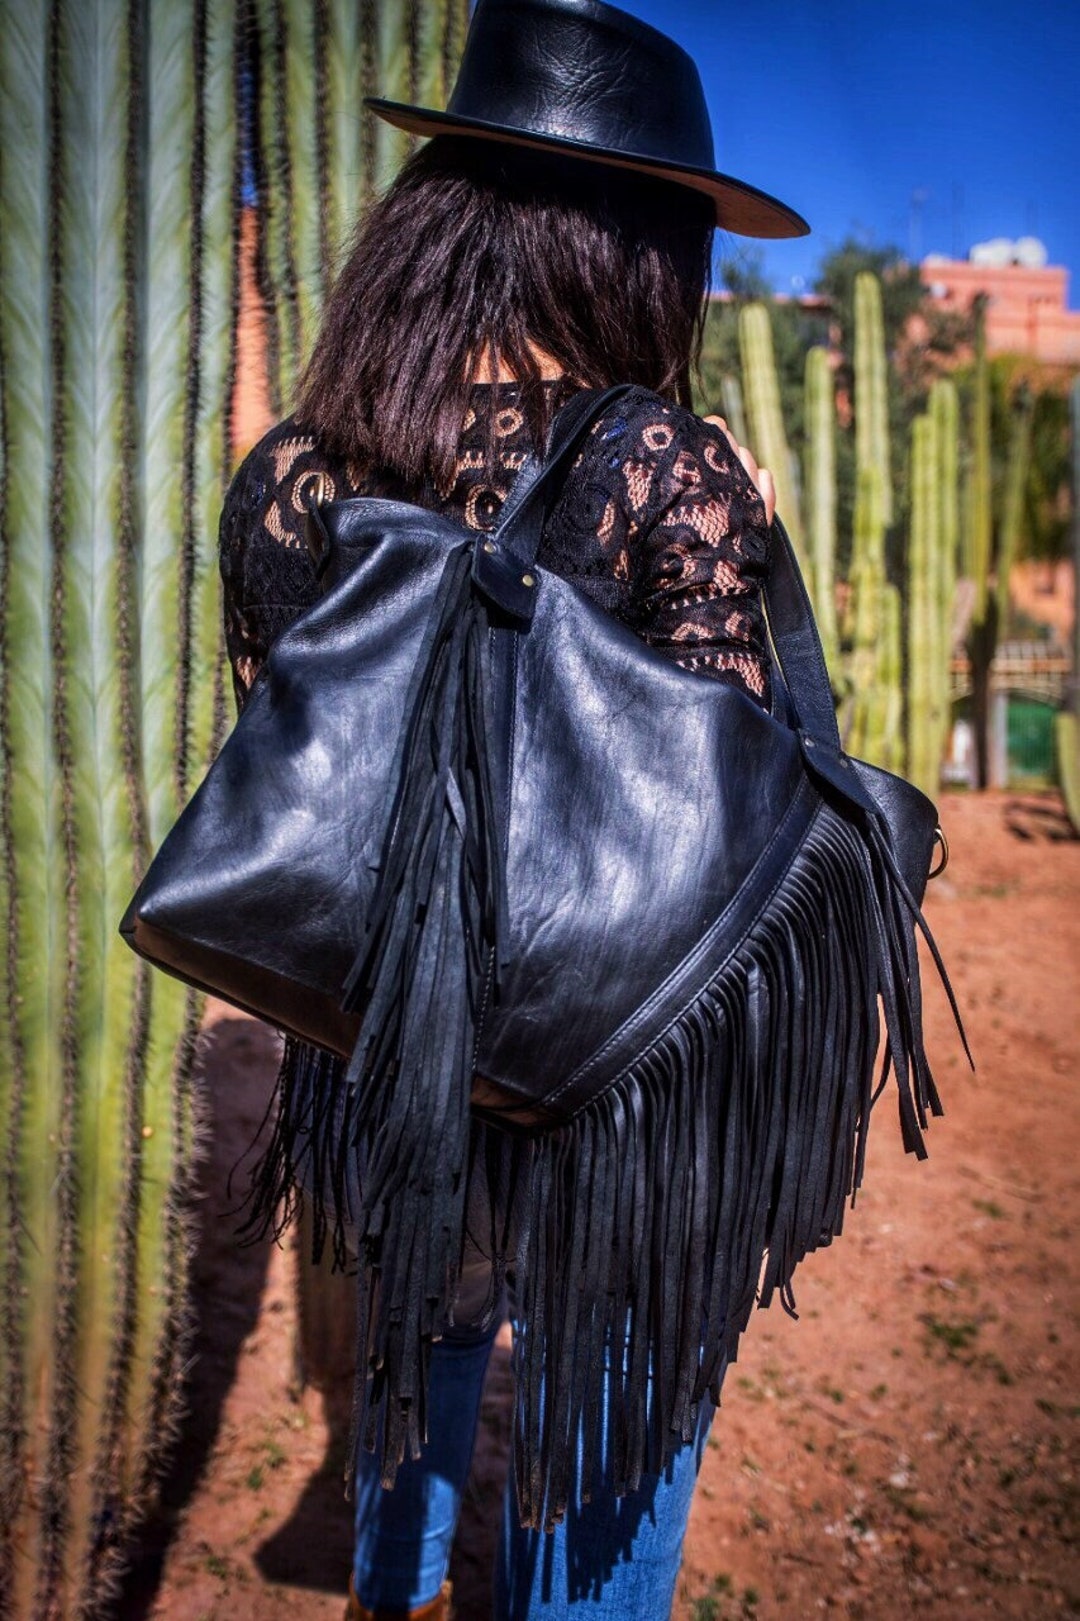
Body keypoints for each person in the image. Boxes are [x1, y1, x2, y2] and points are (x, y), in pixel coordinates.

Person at [218, 1, 808, 1615]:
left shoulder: (296, 472)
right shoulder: (661, 469)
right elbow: (729, 816)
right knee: (610, 1408)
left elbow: (300, 743)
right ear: (630, 253)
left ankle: (394, 1582)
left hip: (395, 1054)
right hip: (602, 1077)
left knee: (427, 1326)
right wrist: (736, 527)